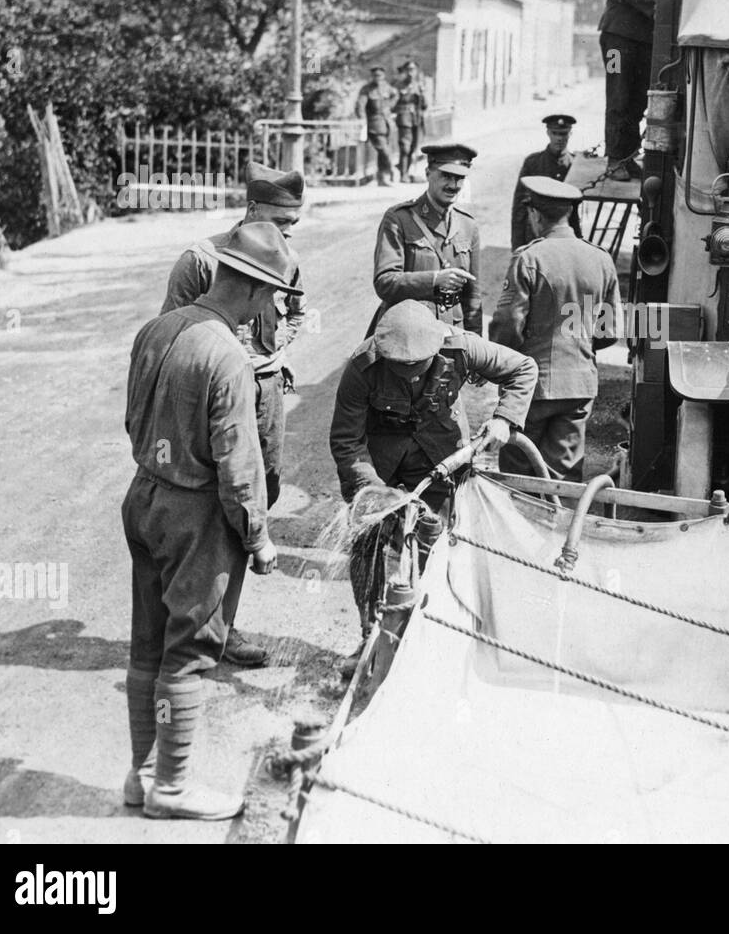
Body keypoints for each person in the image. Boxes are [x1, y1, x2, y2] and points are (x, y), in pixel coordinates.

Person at [122, 222, 302, 820]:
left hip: (144, 496)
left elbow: (133, 423)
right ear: (251, 290)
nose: (271, 308)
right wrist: (258, 536)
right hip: (194, 515)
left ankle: (142, 772)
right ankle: (170, 788)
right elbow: (239, 463)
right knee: (189, 653)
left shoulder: (156, 330)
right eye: (271, 295)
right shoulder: (227, 354)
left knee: (147, 644)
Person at [160, 161, 305, 668]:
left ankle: (218, 620)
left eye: (292, 226)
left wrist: (282, 344)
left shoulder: (281, 256)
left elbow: (298, 309)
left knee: (256, 497)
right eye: (278, 222)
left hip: (265, 392)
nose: (286, 235)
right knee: (210, 504)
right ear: (249, 211)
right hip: (215, 393)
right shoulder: (201, 260)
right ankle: (208, 626)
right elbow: (173, 333)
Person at [330, 300, 537, 650]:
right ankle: (371, 635)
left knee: (438, 541)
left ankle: (431, 632)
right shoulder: (362, 367)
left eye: (417, 365)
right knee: (366, 541)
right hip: (382, 464)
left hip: (441, 456)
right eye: (400, 365)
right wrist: (376, 493)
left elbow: (524, 368)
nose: (410, 372)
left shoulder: (461, 346)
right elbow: (347, 442)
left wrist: (504, 418)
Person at [491, 177, 621, 483]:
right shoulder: (601, 259)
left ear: (536, 215)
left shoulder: (530, 258)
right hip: (580, 384)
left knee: (518, 478)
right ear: (568, 213)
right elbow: (610, 330)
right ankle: (557, 527)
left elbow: (508, 326)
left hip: (532, 386)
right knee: (563, 479)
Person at [371, 143, 481, 337]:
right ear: (428, 173)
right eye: (446, 176)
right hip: (410, 333)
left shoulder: (468, 225)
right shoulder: (399, 219)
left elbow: (472, 297)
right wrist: (434, 280)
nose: (453, 185)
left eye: (460, 178)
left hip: (455, 334)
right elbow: (385, 282)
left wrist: (476, 347)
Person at [599, 0, 661, 182]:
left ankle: (627, 156)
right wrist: (657, 8)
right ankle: (614, 159)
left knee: (638, 100)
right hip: (617, 37)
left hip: (646, 38)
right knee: (618, 95)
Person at [511, 114, 583, 250]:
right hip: (535, 236)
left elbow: (576, 210)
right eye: (555, 133)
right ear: (548, 133)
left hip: (565, 236)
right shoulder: (533, 163)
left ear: (570, 134)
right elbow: (519, 208)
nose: (559, 138)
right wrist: (517, 246)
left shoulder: (576, 165)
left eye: (563, 133)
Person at [355, 65, 397, 186]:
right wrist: (362, 119)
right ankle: (392, 170)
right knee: (384, 151)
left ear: (383, 76)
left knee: (382, 152)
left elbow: (395, 95)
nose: (378, 78)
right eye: (375, 76)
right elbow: (360, 105)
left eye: (380, 75)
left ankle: (382, 178)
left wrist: (389, 106)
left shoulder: (387, 88)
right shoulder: (366, 89)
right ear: (372, 77)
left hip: (387, 124)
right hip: (374, 125)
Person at [393, 59, 427, 183]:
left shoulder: (419, 85)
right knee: (405, 147)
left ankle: (405, 171)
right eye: (408, 70)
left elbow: (424, 105)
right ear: (405, 71)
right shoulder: (399, 85)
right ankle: (403, 174)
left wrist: (422, 95)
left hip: (416, 120)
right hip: (404, 119)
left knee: (413, 147)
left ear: (416, 71)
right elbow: (393, 103)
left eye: (413, 70)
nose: (410, 73)